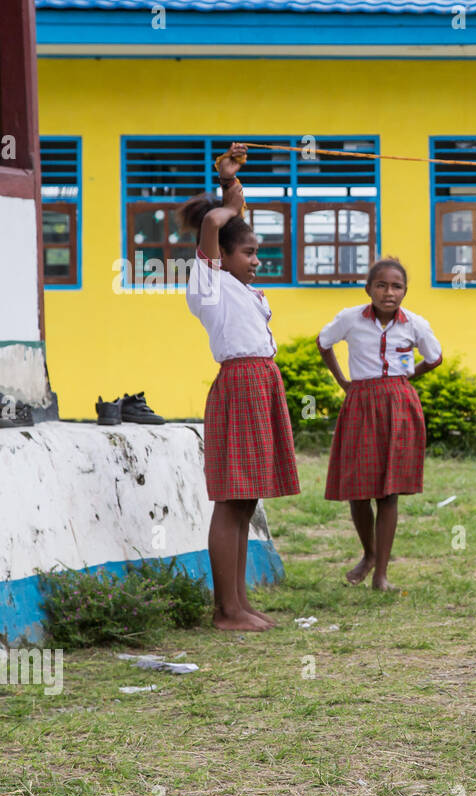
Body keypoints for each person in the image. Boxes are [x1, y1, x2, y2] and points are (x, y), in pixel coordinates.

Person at [181, 142, 298, 632]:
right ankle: (225, 610)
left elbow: (226, 220)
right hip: (240, 387)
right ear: (221, 255)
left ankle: (239, 602)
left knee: (246, 499)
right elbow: (213, 226)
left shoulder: (240, 287)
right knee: (230, 499)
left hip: (260, 383)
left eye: (257, 252)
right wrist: (225, 208)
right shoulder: (208, 283)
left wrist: (230, 180)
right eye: (248, 252)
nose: (256, 260)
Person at [317, 257, 443, 590]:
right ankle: (368, 554)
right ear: (368, 288)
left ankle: (381, 574)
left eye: (397, 286)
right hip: (360, 403)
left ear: (405, 290)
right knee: (358, 491)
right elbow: (323, 342)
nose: (389, 292)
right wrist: (343, 381)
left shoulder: (415, 324)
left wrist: (405, 377)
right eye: (381, 285)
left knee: (389, 493)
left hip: (399, 407)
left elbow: (435, 357)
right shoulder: (350, 319)